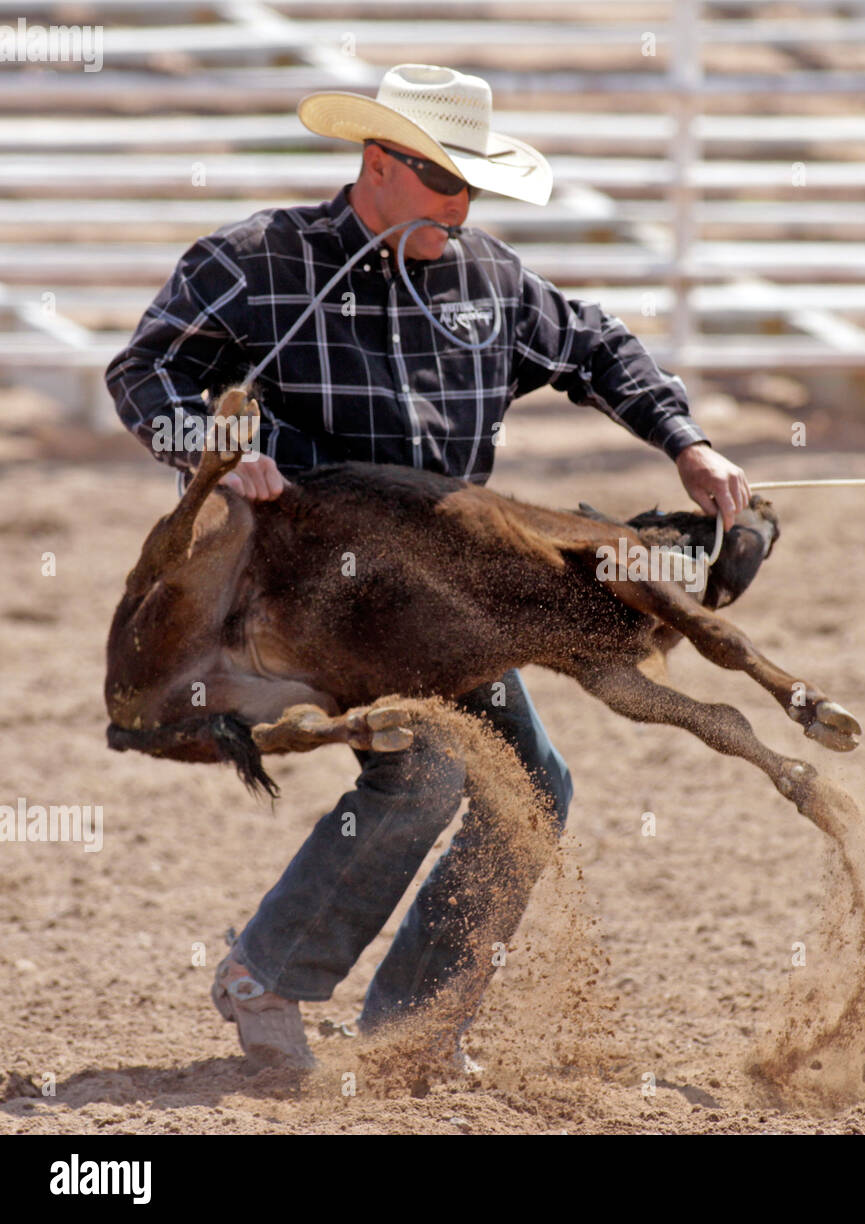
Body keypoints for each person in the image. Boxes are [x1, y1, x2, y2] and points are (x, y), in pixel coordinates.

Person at [105, 64, 750, 1070]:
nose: (461, 206)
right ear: (379, 165)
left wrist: (685, 442)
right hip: (307, 586)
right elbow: (146, 368)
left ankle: (411, 1021)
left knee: (531, 788)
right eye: (446, 183)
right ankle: (268, 975)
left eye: (471, 188)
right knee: (430, 768)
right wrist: (212, 447)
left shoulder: (488, 277)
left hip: (440, 590)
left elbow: (595, 347)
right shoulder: (260, 260)